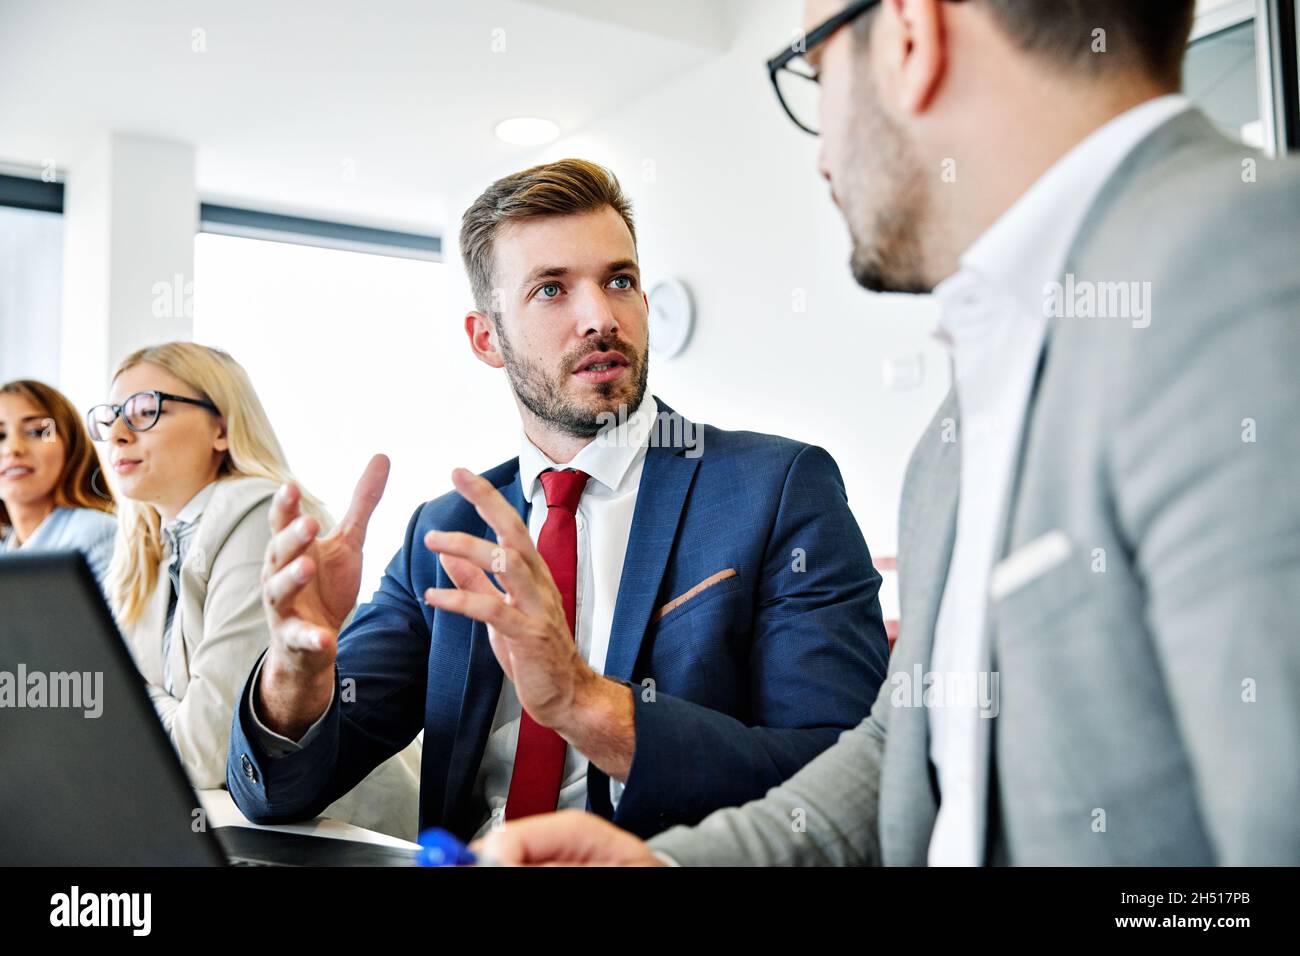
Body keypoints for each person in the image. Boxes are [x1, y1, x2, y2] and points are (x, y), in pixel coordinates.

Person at [476, 0, 1300, 865]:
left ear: (910, 34)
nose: (823, 151)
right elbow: (897, 759)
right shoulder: (955, 430)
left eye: (817, 74)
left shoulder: (1251, 265)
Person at [227, 158, 891, 841]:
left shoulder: (775, 489)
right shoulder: (447, 531)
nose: (600, 317)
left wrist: (584, 703)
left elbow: (840, 780)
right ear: (487, 339)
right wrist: (296, 672)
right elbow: (280, 792)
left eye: (620, 281)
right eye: (551, 290)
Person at [95, 342, 421, 839]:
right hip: (236, 829)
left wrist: (143, 705)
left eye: (145, 410)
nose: (117, 433)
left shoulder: (258, 516)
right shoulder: (147, 545)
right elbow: (117, 711)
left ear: (222, 429)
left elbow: (204, 751)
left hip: (336, 837)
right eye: (112, 415)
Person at [0, 379, 116, 587]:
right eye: (0, 436)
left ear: (71, 445)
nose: (12, 448)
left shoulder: (96, 534)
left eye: (36, 432)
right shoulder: (8, 546)